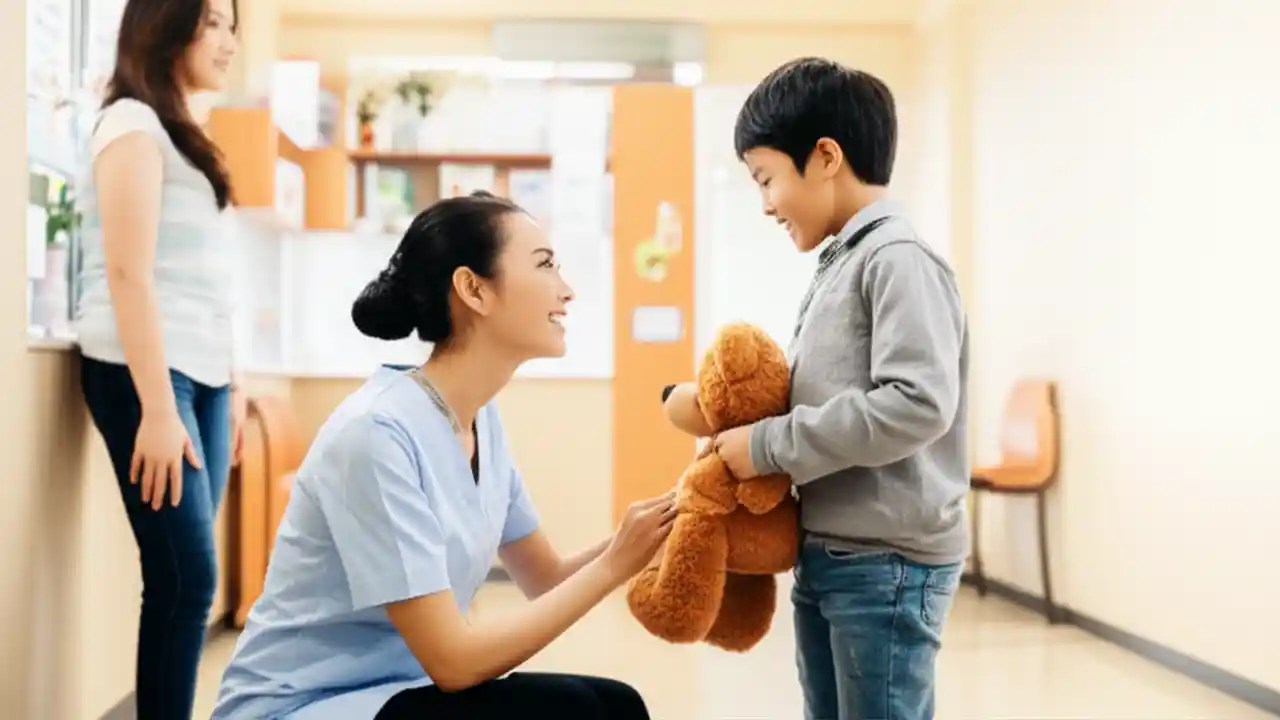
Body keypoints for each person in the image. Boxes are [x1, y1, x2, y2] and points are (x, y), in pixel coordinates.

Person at [213, 191, 673, 720]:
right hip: (306, 706)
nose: (566, 291)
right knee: (586, 713)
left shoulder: (482, 422)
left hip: (396, 695)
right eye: (545, 266)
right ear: (473, 289)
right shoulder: (376, 434)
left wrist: (663, 527)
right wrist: (616, 563)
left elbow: (545, 579)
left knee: (614, 705)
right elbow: (454, 663)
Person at [711, 58, 970, 720]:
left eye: (766, 178)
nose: (765, 203)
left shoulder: (897, 261)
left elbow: (917, 404)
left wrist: (769, 445)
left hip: (885, 563)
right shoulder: (847, 260)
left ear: (825, 156)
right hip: (835, 552)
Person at [73, 1, 243, 718]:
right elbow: (128, 276)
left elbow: (206, 280)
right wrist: (158, 407)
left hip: (203, 378)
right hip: (148, 375)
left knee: (184, 579)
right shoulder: (132, 124)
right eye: (213, 24)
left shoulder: (186, 136)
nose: (230, 41)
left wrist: (234, 388)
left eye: (235, 25)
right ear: (164, 24)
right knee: (186, 580)